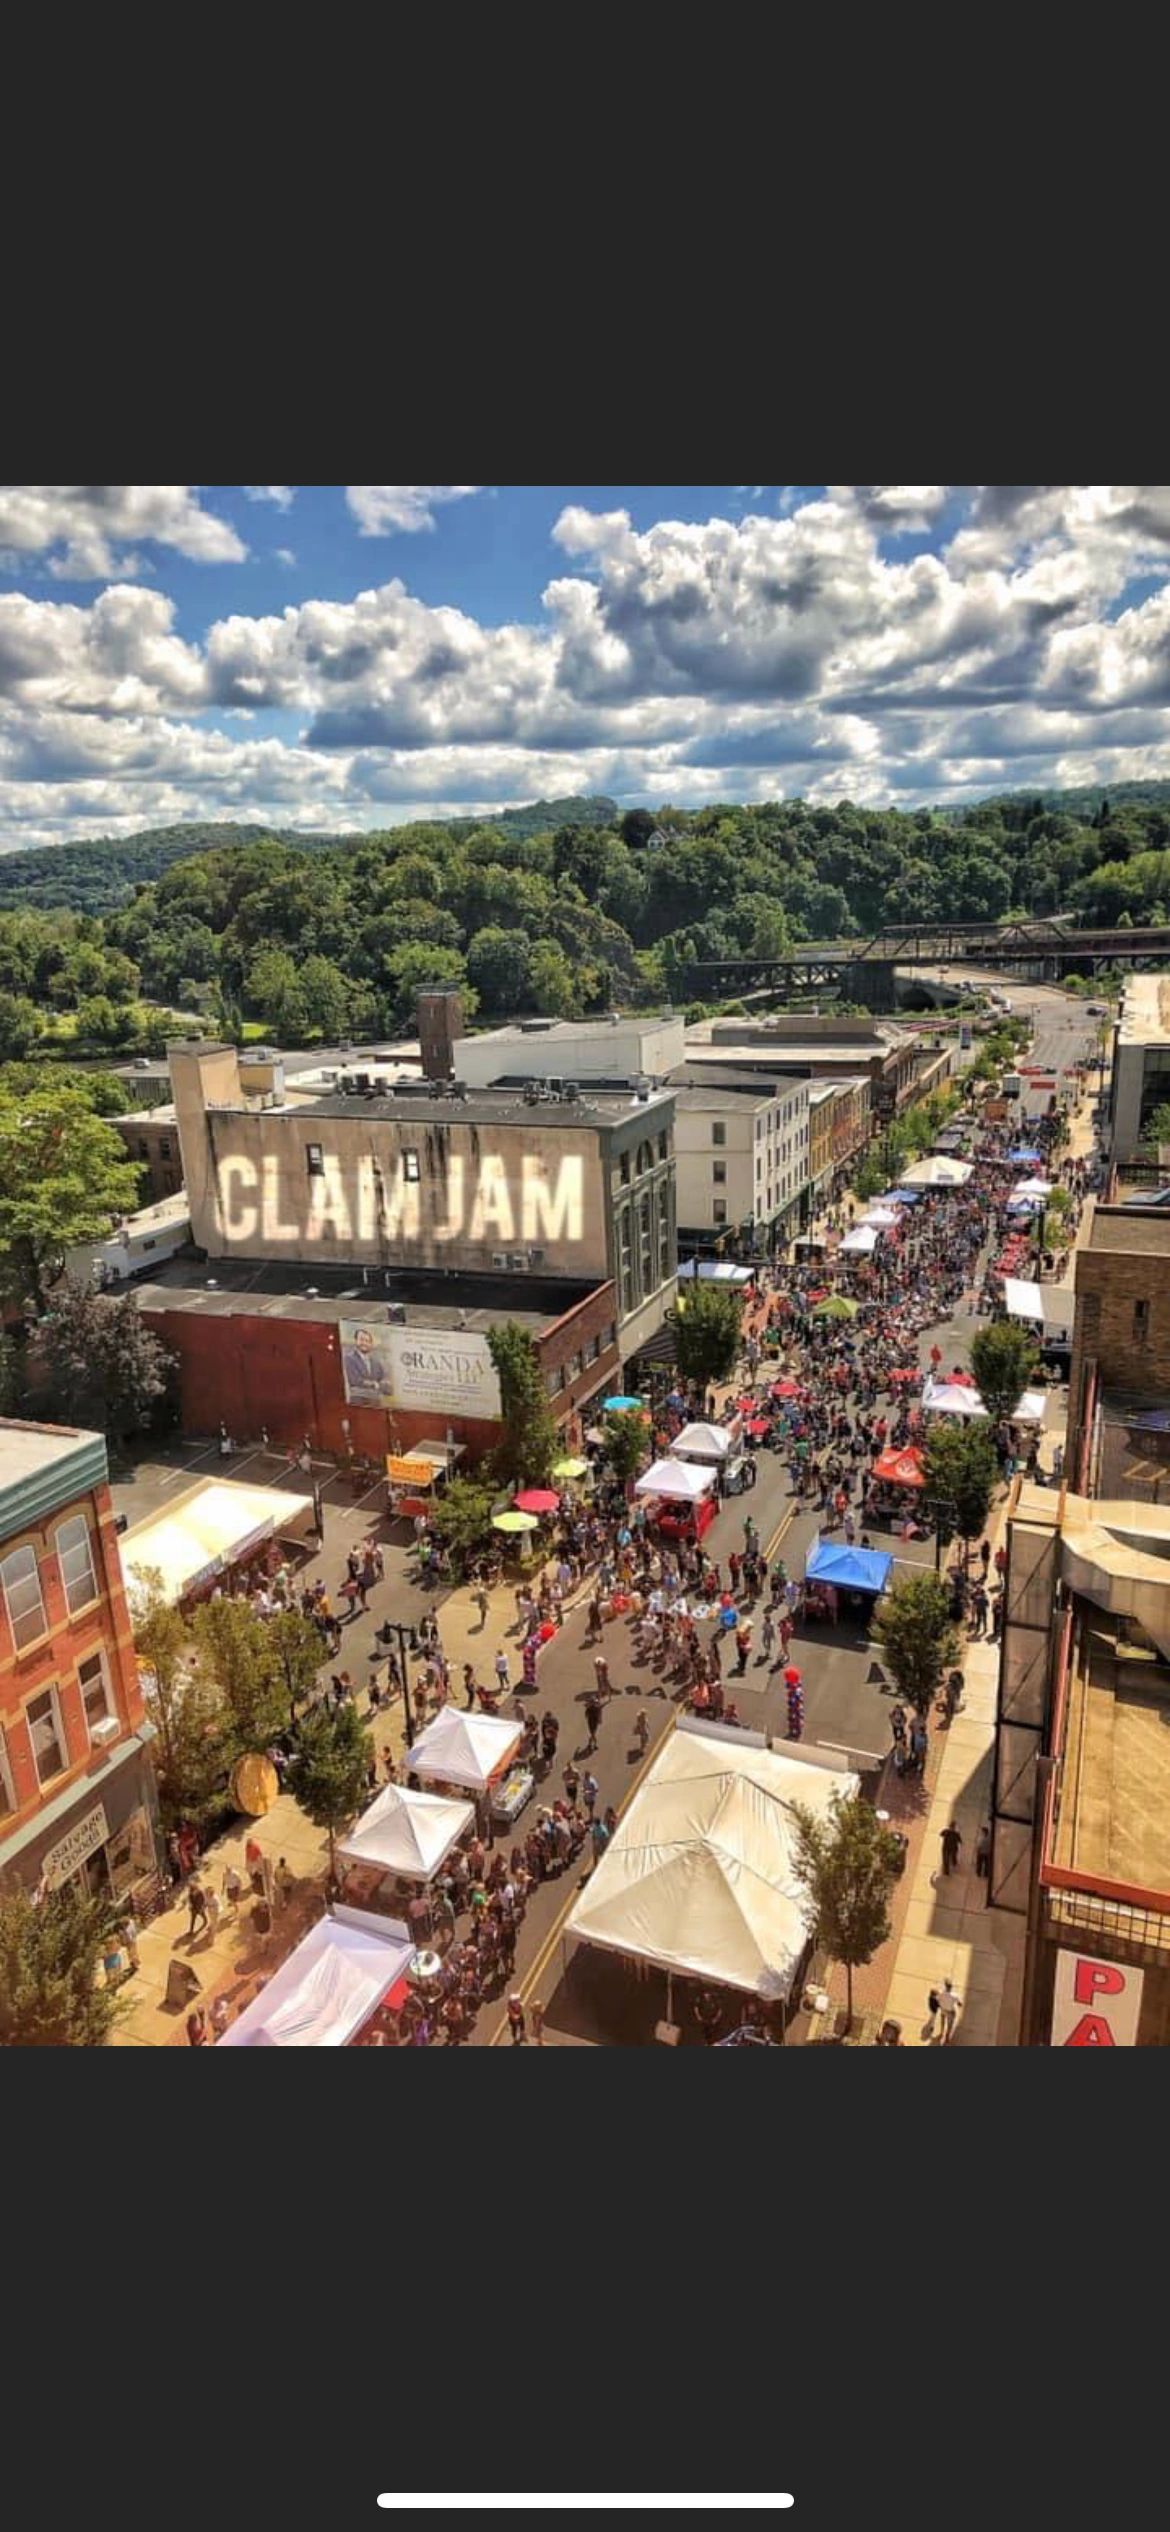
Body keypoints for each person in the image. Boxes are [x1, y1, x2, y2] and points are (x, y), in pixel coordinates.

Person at [937, 1978, 962, 2044]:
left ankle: (941, 2033)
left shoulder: (941, 1993)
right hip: (950, 2012)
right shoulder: (954, 1995)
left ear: (945, 1986)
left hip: (943, 2010)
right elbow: (959, 2003)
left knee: (942, 2022)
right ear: (951, 1987)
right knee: (949, 2025)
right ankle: (947, 2037)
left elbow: (938, 1999)